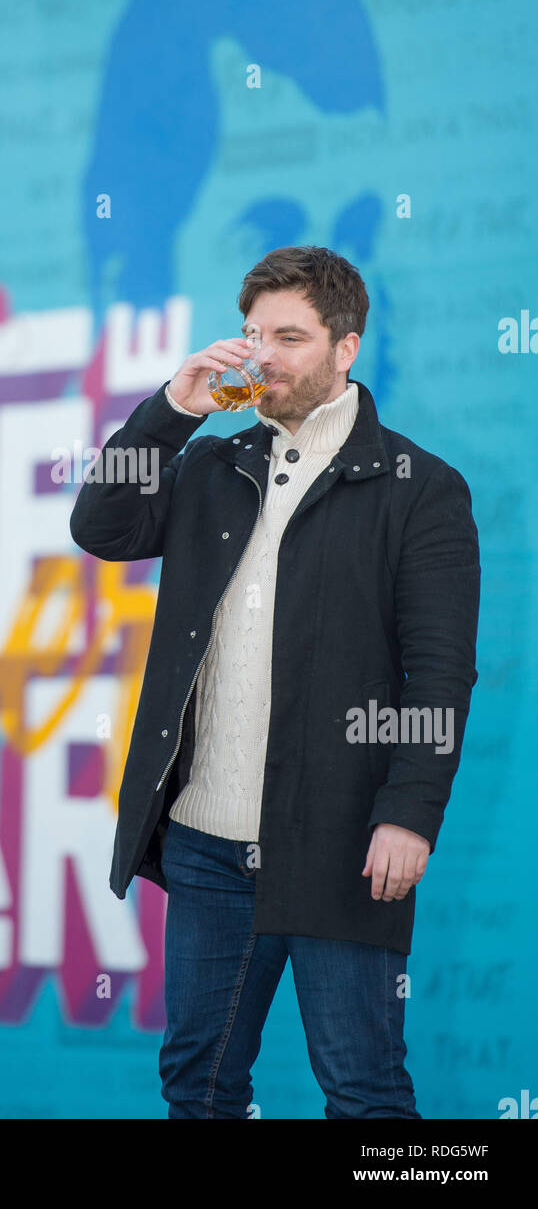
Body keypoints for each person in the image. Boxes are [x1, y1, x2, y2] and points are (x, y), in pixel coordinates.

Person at [69, 245, 480, 1118]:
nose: (263, 356)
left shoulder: (421, 489)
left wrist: (409, 811)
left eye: (289, 337)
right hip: (204, 844)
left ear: (347, 348)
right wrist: (172, 411)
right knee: (199, 1083)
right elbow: (101, 524)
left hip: (341, 843)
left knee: (365, 1091)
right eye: (253, 334)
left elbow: (439, 673)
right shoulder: (214, 468)